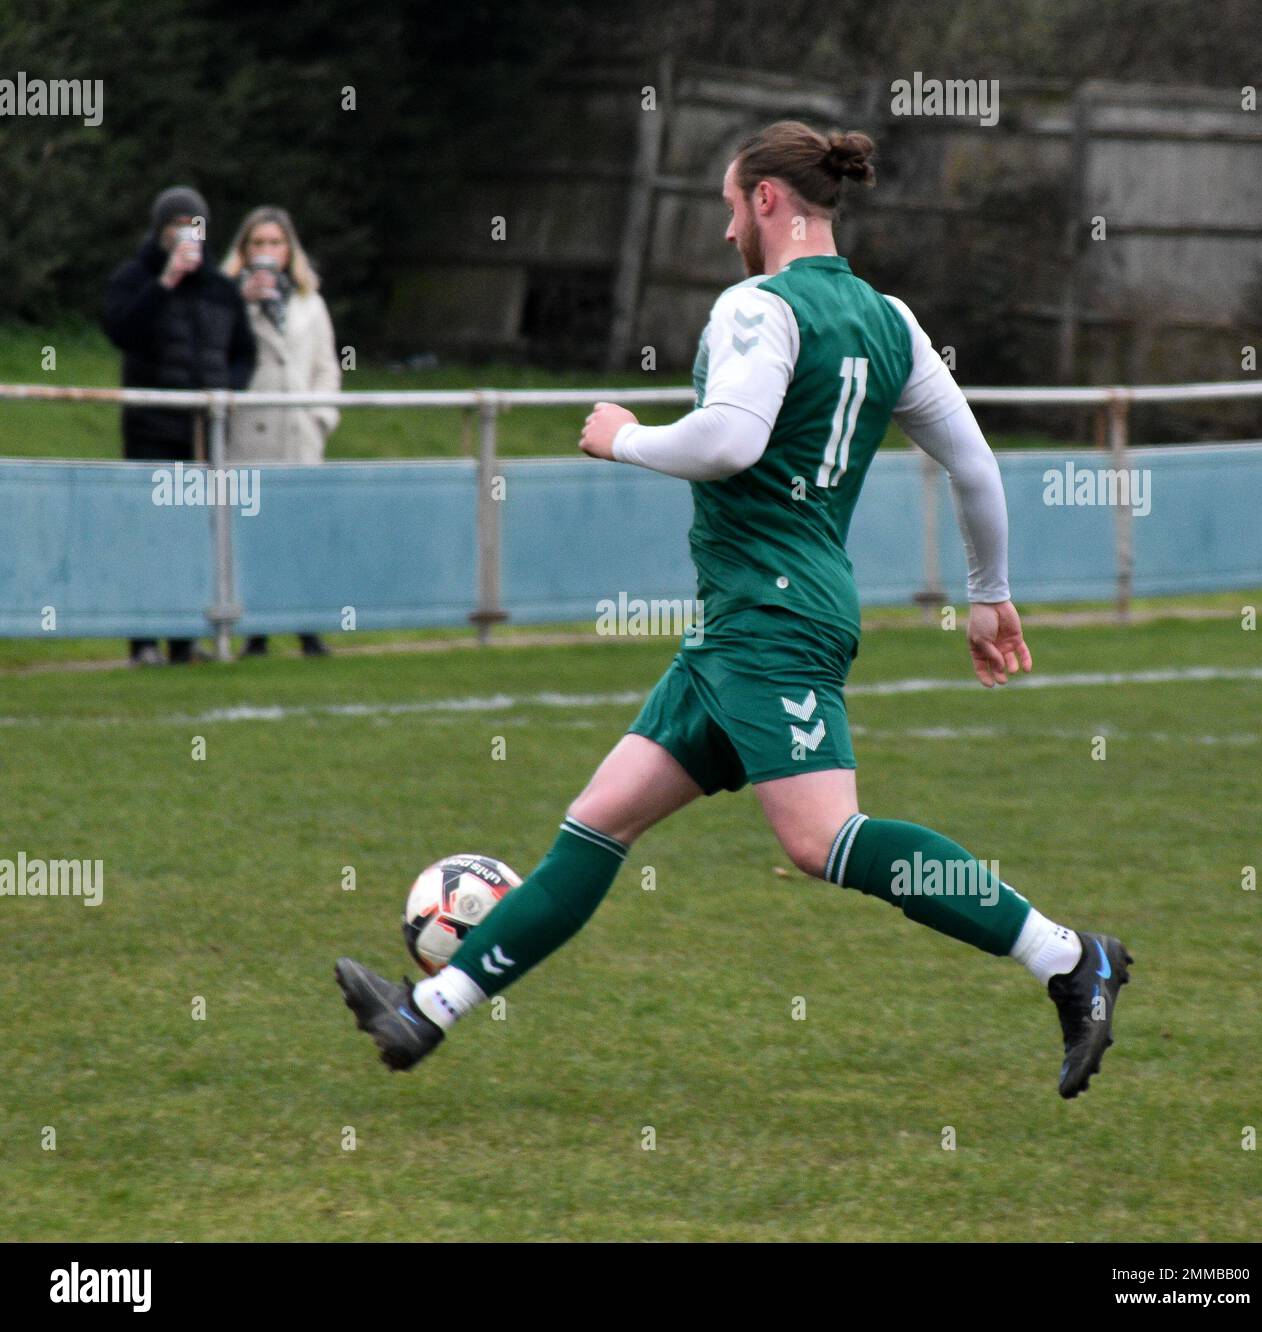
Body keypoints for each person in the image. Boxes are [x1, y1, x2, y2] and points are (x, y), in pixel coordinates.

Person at [336, 121, 1133, 1098]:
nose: (724, 233)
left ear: (766, 201)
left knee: (822, 840)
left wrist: (625, 436)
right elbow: (971, 464)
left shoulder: (757, 305)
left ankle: (1066, 957)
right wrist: (989, 595)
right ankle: (424, 1015)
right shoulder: (892, 320)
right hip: (741, 621)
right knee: (597, 823)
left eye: (727, 207)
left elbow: (728, 440)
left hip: (772, 616)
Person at [104, 186, 256, 666]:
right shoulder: (135, 278)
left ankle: (186, 640)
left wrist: (225, 395)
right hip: (151, 428)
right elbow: (120, 330)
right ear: (160, 230)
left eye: (195, 224)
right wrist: (165, 281)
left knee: (196, 535)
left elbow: (244, 352)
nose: (187, 234)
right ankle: (143, 641)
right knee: (150, 534)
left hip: (205, 431)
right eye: (177, 224)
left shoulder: (220, 287)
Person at [222, 206, 340, 658]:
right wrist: (242, 302)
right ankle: (256, 632)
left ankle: (308, 628)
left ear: (289, 249)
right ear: (244, 250)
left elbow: (328, 368)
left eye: (276, 243)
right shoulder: (228, 298)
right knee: (254, 534)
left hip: (299, 433)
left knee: (303, 533)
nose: (268, 252)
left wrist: (321, 417)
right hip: (250, 432)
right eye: (258, 243)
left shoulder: (311, 301)